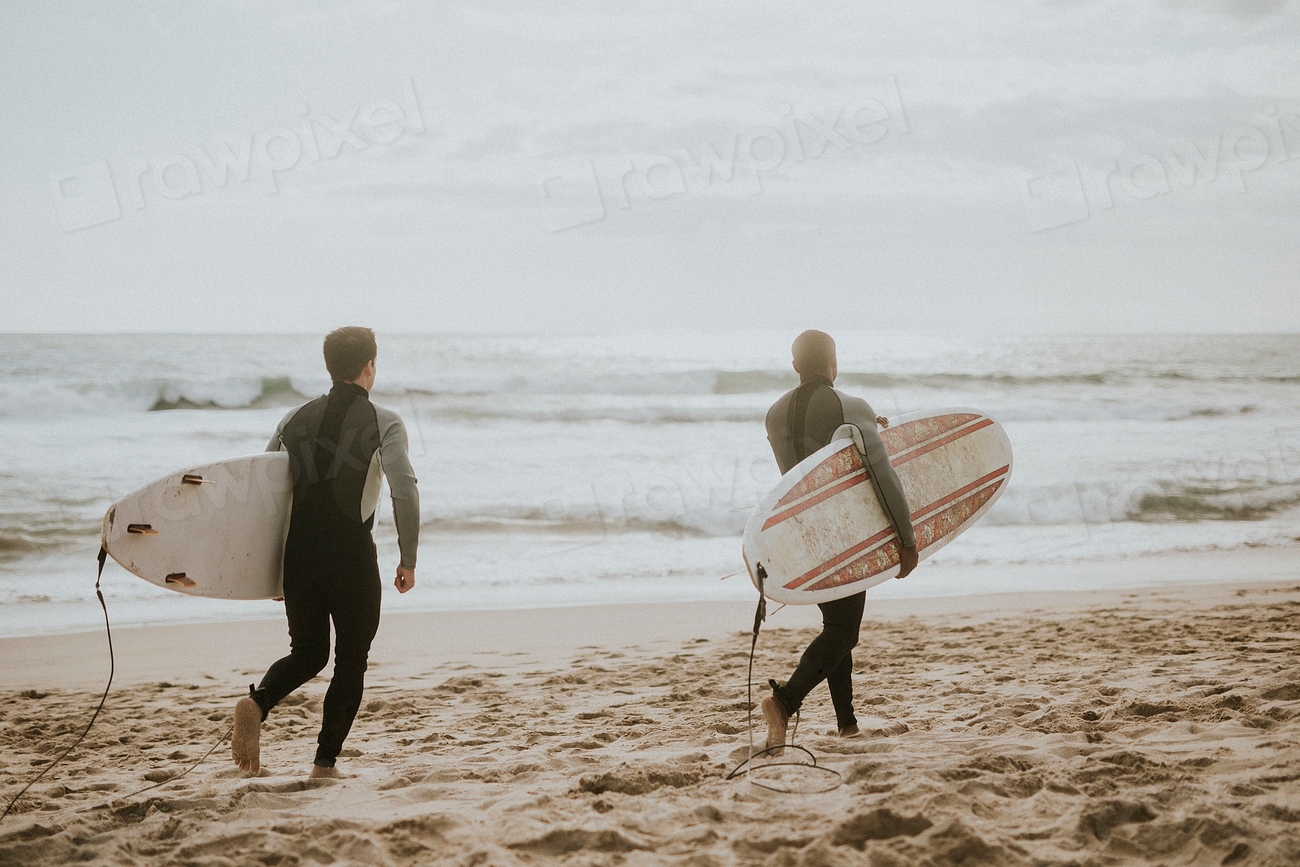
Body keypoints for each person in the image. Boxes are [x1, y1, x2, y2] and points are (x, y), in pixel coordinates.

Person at [232, 327, 420, 778]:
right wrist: (407, 559)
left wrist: (270, 569)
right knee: (351, 660)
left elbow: (266, 493)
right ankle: (323, 764)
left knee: (309, 653)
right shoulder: (385, 421)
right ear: (370, 366)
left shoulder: (292, 418)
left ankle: (257, 703)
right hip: (350, 555)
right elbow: (405, 494)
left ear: (329, 365)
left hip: (298, 556)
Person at [761, 330, 916, 751]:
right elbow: (883, 475)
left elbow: (813, 461)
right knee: (845, 633)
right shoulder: (852, 405)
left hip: (804, 533)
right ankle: (784, 701)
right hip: (845, 532)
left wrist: (868, 428)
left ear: (795, 365)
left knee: (836, 626)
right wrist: (906, 538)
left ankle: (846, 724)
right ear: (834, 362)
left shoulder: (774, 414)